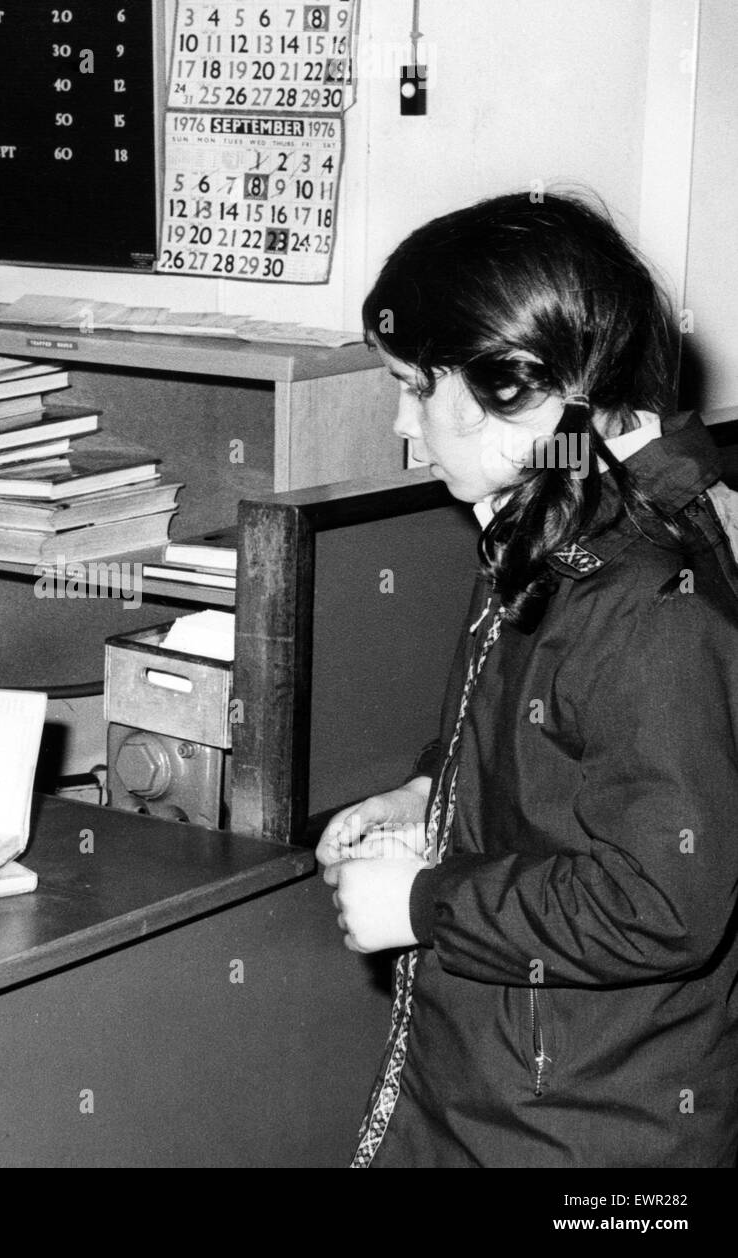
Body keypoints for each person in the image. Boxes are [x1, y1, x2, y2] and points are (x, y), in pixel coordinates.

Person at [317, 191, 738, 1167]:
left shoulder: (648, 612)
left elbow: (663, 902)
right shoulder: (544, 520)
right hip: (494, 1082)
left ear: (520, 393)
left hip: (592, 1133)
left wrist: (422, 903)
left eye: (414, 387)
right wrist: (429, 789)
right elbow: (537, 734)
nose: (399, 421)